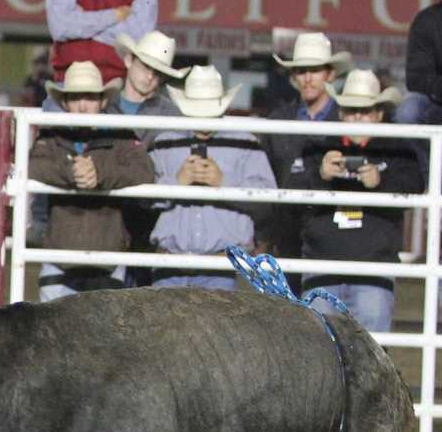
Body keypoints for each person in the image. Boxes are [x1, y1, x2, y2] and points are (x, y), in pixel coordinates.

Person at [291, 70, 422, 333]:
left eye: (364, 111)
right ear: (341, 113)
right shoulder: (318, 147)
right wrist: (320, 175)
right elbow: (290, 195)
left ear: (378, 114)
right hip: (323, 266)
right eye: (351, 110)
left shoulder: (397, 149)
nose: (357, 117)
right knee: (320, 354)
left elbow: (415, 185)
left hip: (372, 271)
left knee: (370, 354)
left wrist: (381, 182)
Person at [28, 61, 154, 301]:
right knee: (57, 334)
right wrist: (72, 172)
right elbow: (34, 165)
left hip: (105, 261)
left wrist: (100, 172)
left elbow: (144, 171)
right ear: (65, 103)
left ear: (102, 101)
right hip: (62, 260)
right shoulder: (52, 136)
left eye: (90, 97)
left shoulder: (120, 136)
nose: (83, 106)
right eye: (75, 97)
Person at [148, 66, 276, 290]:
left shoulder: (245, 142)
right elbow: (142, 198)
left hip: (223, 267)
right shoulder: (164, 142)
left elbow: (267, 200)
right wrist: (176, 184)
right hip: (170, 264)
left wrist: (223, 183)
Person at [260, 32, 352, 264]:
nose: (308, 78)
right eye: (301, 71)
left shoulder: (347, 121)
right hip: (287, 232)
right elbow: (267, 178)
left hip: (336, 232)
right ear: (293, 76)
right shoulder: (277, 121)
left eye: (315, 70)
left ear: (330, 74)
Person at [396, 0, 442, 179]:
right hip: (437, 102)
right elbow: (416, 78)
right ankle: (429, 173)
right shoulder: (428, 21)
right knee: (408, 112)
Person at [108, 30, 188, 147]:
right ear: (128, 60)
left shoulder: (171, 114)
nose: (150, 76)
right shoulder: (106, 105)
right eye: (146, 66)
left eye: (157, 72)